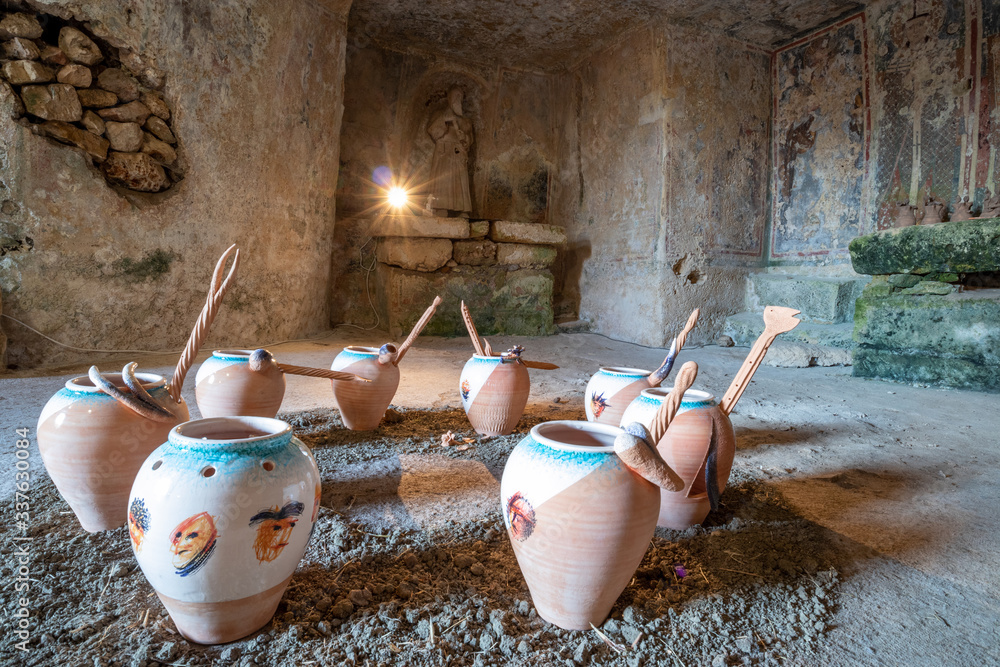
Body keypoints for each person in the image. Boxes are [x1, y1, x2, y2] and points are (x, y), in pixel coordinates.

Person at [427, 86, 473, 217]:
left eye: (460, 97)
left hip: (458, 152)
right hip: (443, 151)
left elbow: (469, 139)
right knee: (443, 180)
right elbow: (433, 132)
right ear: (449, 98)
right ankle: (440, 207)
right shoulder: (439, 115)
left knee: (460, 181)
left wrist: (464, 138)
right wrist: (444, 120)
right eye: (455, 96)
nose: (458, 99)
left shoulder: (466, 121)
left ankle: (461, 210)